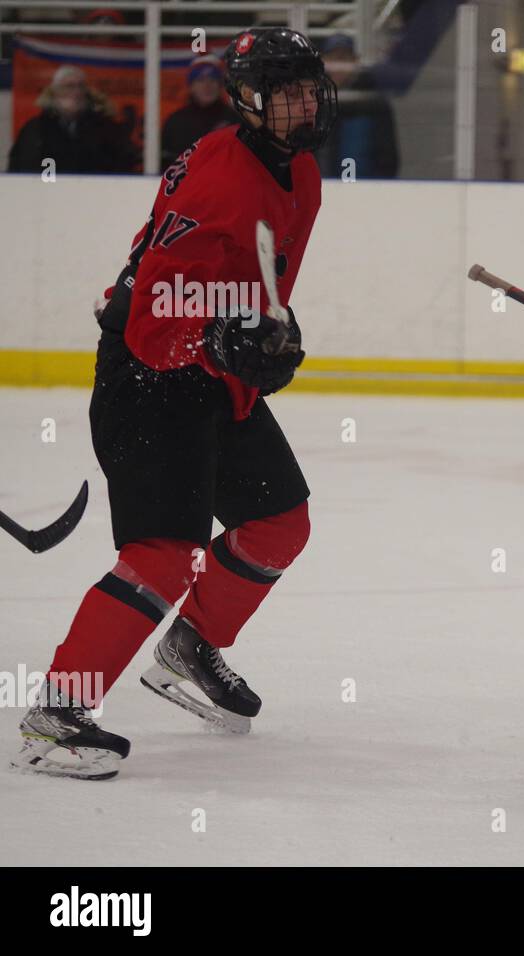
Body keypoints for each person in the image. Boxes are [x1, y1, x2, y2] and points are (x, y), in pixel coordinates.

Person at [10, 28, 338, 781]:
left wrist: (262, 337)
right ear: (249, 102)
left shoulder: (303, 171)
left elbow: (252, 282)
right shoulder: (223, 178)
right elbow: (154, 312)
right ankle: (57, 715)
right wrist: (224, 337)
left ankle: (189, 647)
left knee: (278, 522)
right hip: (149, 372)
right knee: (163, 551)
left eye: (308, 87)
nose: (303, 103)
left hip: (208, 371)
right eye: (284, 92)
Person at [7, 65, 136, 174]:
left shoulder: (105, 128)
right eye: (69, 86)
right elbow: (23, 168)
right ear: (54, 92)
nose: (76, 92)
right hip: (47, 197)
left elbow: (121, 167)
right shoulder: (35, 130)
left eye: (80, 86)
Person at [314, 33, 400, 180]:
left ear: (355, 61)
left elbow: (388, 156)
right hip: (324, 189)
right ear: (324, 61)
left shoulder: (373, 101)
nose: (339, 66)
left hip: (365, 190)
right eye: (333, 58)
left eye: (344, 58)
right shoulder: (313, 102)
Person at [160, 54, 238, 170]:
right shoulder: (175, 121)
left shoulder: (234, 119)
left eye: (212, 80)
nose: (207, 86)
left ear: (220, 85)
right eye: (201, 80)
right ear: (191, 86)